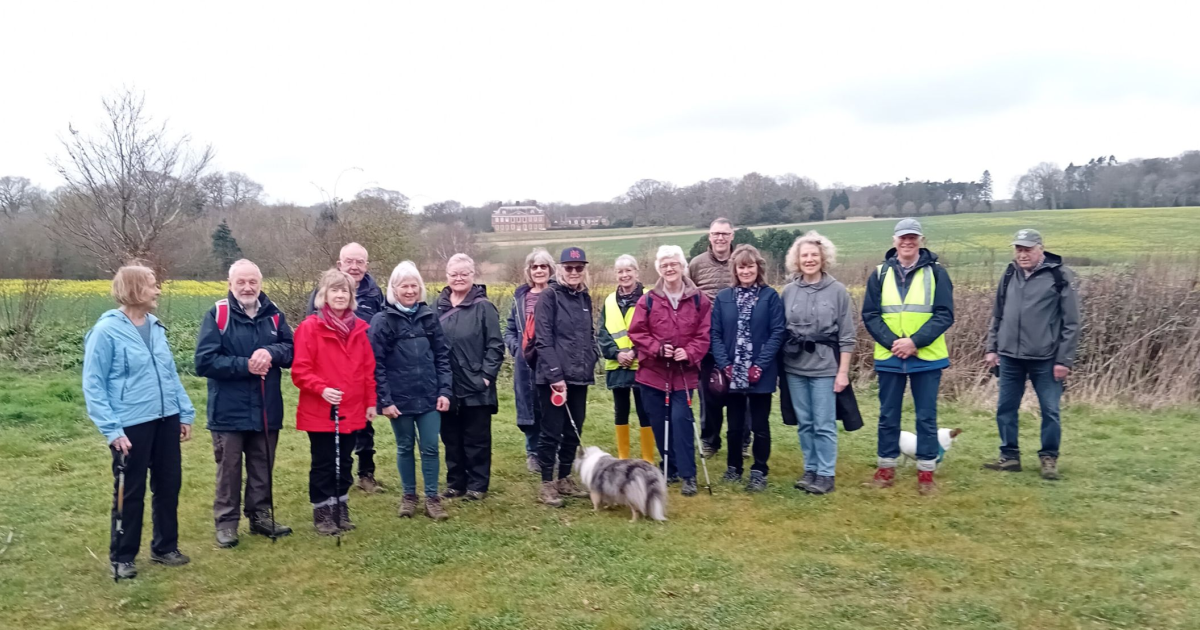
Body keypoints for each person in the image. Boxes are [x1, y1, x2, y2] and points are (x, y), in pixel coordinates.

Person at [82, 264, 196, 581]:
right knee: (129, 491)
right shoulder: (106, 331)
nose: (157, 290)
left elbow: (170, 374)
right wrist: (112, 430)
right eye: (151, 285)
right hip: (131, 424)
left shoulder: (156, 327)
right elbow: (93, 384)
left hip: (166, 419)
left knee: (169, 485)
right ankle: (122, 556)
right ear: (133, 290)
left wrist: (184, 412)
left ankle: (164, 548)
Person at [194, 259, 293, 549]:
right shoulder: (218, 314)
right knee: (229, 469)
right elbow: (204, 361)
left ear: (261, 284)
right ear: (230, 285)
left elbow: (291, 349)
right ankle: (226, 523)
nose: (248, 287)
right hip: (228, 410)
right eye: (241, 282)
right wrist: (244, 365)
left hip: (266, 407)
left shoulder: (274, 315)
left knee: (263, 465)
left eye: (253, 282)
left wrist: (270, 352)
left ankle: (261, 516)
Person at [862, 219, 954, 495]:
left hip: (926, 357)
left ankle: (926, 474)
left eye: (912, 237)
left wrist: (914, 343)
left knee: (926, 417)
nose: (907, 242)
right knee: (888, 415)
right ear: (894, 241)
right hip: (890, 357)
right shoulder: (879, 274)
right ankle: (885, 468)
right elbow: (870, 315)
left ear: (921, 240)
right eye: (903, 238)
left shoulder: (937, 273)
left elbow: (945, 314)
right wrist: (894, 343)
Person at [983, 229, 1080, 480]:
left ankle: (1049, 458)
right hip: (1010, 357)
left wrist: (1064, 360)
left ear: (1041, 249)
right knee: (1005, 408)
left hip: (1046, 358)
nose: (1022, 254)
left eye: (1027, 249)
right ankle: (1009, 456)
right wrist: (992, 348)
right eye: (1018, 249)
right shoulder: (1008, 274)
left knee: (1050, 410)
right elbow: (998, 314)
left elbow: (1071, 323)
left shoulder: (1059, 275)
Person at [292, 268, 377, 535]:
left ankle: (340, 508)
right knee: (324, 462)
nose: (340, 295)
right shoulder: (309, 328)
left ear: (352, 296)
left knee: (346, 462)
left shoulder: (359, 330)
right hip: (321, 410)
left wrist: (370, 403)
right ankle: (322, 513)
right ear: (323, 295)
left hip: (352, 410)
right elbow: (300, 371)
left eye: (345, 291)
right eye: (335, 290)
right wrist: (322, 389)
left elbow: (367, 371)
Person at [369, 261, 453, 520]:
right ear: (393, 289)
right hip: (399, 400)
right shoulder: (382, 321)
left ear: (420, 288)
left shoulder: (430, 317)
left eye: (413, 285)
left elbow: (442, 356)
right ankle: (408, 496)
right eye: (404, 285)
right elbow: (376, 364)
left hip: (429, 396)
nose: (409, 290)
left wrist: (445, 391)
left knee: (430, 447)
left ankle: (432, 498)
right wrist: (385, 400)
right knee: (405, 447)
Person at [629, 245, 712, 497]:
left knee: (681, 421)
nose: (669, 268)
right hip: (652, 374)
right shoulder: (648, 299)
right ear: (659, 269)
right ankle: (670, 468)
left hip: (683, 376)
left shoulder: (699, 299)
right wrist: (657, 348)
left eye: (673, 264)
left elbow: (704, 334)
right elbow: (637, 332)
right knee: (659, 422)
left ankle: (689, 475)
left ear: (682, 266)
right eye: (664, 265)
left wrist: (688, 352)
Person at [306, 242, 387, 494]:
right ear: (340, 263)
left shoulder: (375, 293)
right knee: (332, 438)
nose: (355, 266)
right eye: (349, 261)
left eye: (360, 262)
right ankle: (334, 481)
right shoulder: (321, 293)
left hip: (364, 372)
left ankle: (366, 474)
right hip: (330, 379)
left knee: (365, 426)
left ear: (366, 265)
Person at [780, 233, 856, 495]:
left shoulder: (838, 291)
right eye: (804, 255)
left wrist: (842, 372)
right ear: (797, 260)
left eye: (814, 255)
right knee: (805, 422)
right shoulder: (788, 291)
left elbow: (847, 336)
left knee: (824, 423)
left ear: (823, 258)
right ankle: (810, 469)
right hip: (795, 367)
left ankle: (826, 474)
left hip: (826, 367)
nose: (809, 259)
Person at [710, 245, 785, 491]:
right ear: (735, 269)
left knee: (760, 425)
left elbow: (777, 333)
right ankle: (733, 467)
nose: (746, 271)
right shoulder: (723, 298)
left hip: (759, 374)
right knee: (734, 425)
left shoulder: (770, 297)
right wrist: (725, 365)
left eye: (750, 266)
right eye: (741, 266)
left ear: (758, 268)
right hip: (732, 373)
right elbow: (716, 335)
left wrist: (760, 366)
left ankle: (759, 470)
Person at [436, 253, 505, 501]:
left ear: (473, 276)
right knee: (451, 437)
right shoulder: (438, 306)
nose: (459, 278)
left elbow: (496, 346)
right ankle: (456, 484)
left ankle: (477, 485)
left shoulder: (484, 307)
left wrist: (486, 376)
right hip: (447, 385)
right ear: (447, 277)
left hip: (476, 385)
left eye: (464, 273)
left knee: (476, 439)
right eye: (454, 274)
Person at [534, 247, 599, 507]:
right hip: (553, 378)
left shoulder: (584, 297)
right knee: (551, 432)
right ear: (560, 269)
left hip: (579, 376)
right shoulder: (549, 296)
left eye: (579, 268)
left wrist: (593, 355)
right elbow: (543, 339)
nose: (574, 272)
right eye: (569, 268)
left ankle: (564, 479)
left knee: (574, 429)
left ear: (584, 270)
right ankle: (547, 483)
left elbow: (588, 334)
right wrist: (555, 375)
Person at [688, 218, 742, 460]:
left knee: (741, 392)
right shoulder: (696, 264)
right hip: (707, 341)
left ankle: (742, 440)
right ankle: (710, 440)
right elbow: (687, 299)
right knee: (709, 392)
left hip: (740, 339)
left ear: (732, 236)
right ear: (709, 236)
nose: (720, 238)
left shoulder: (742, 260)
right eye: (715, 234)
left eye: (725, 234)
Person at [598, 254, 654, 461]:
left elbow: (655, 330)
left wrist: (635, 352)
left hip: (643, 365)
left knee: (644, 411)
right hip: (617, 366)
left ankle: (648, 459)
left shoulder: (650, 297)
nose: (624, 275)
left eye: (628, 270)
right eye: (620, 271)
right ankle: (623, 458)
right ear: (615, 275)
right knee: (620, 411)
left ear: (636, 272)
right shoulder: (609, 301)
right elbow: (602, 333)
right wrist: (617, 353)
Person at [504, 248, 555, 473]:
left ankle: (553, 450)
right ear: (529, 270)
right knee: (530, 406)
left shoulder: (558, 294)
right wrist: (517, 349)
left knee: (552, 406)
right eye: (535, 267)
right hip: (525, 364)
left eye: (543, 266)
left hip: (552, 361)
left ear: (550, 269)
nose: (539, 270)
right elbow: (510, 330)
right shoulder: (520, 298)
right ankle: (533, 452)